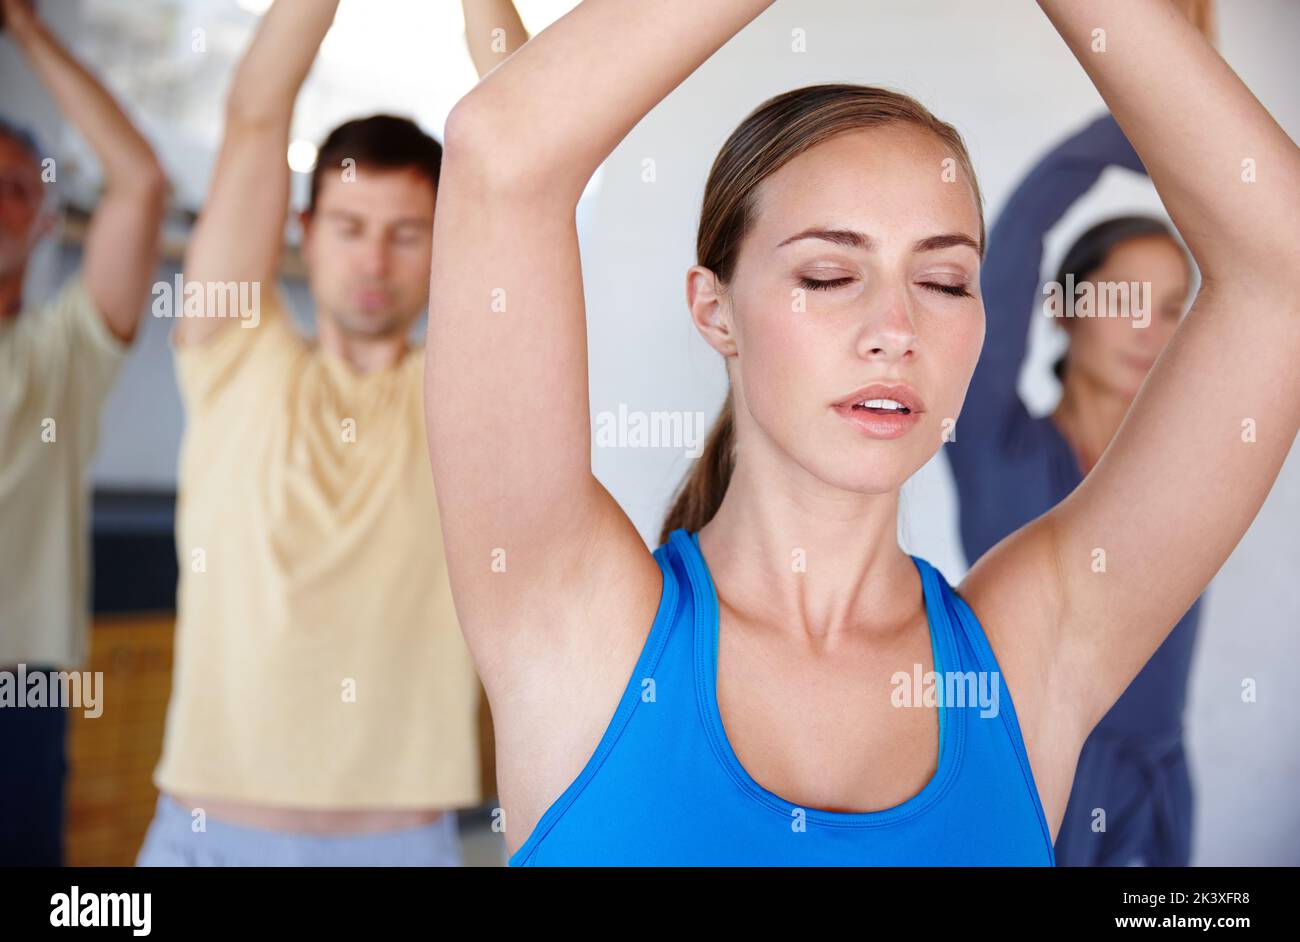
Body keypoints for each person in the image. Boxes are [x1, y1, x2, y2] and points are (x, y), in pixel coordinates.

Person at [424, 0, 1300, 864]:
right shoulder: (569, 620)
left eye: (946, 281)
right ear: (715, 309)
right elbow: (504, 148)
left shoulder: (1036, 656)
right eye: (832, 272)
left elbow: (1283, 268)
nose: (896, 327)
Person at [136, 0, 527, 867]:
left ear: (444, 244)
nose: (375, 261)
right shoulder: (230, 350)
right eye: (350, 228)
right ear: (305, 233)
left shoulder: (463, 394)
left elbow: (533, 150)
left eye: (407, 234)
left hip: (402, 844)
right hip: (205, 838)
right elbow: (254, 117)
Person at [950, 113, 1202, 866]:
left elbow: (1270, 281)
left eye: (1171, 309)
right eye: (1122, 300)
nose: (1148, 332)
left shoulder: (1191, 456)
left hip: (1151, 804)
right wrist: (1152, 113)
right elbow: (1018, 239)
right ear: (1061, 307)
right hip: (1018, 784)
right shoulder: (995, 441)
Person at [0, 0, 167, 865]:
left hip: (15, 694)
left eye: (17, 187)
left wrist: (25, 26)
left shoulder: (62, 351)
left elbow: (139, 182)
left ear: (42, 220)